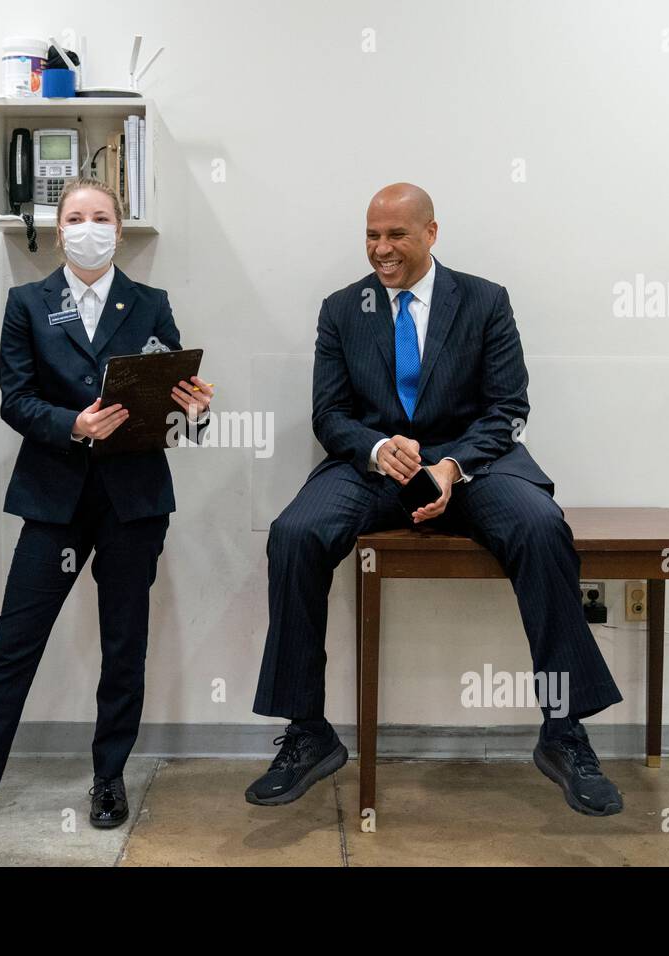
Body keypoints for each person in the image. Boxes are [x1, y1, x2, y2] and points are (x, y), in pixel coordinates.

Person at [246, 183, 625, 817]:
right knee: (294, 535)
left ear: (431, 233)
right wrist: (374, 448)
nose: (381, 248)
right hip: (374, 465)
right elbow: (329, 414)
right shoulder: (342, 309)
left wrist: (450, 465)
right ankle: (308, 731)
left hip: (474, 463)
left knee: (539, 526)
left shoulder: (484, 301)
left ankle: (564, 732)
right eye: (372, 234)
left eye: (396, 234)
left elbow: (508, 409)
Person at [0, 177, 212, 837]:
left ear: (120, 229)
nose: (89, 227)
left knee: (124, 643)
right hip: (53, 495)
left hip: (134, 500)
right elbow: (15, 398)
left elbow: (174, 400)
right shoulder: (28, 304)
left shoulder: (151, 303)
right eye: (76, 218)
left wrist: (197, 415)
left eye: (102, 217)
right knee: (13, 643)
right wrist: (73, 425)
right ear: (59, 231)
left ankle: (109, 778)